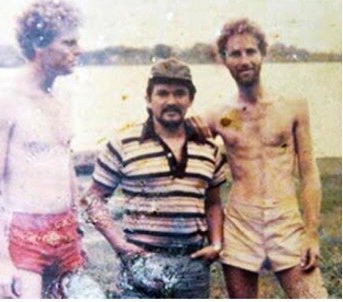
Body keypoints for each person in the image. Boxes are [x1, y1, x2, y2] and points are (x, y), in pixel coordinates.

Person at [192, 18, 327, 298]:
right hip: (240, 223)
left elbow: (309, 173)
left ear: (263, 54)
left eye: (251, 51)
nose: (244, 60)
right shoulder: (220, 115)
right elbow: (173, 131)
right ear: (224, 60)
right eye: (235, 53)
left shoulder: (292, 107)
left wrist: (311, 233)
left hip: (286, 220)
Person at [80, 57, 228, 298]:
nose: (171, 101)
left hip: (193, 265)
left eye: (180, 93)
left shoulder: (207, 148)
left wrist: (217, 244)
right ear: (149, 100)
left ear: (190, 100)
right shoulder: (124, 143)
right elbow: (91, 200)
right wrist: (121, 246)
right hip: (142, 264)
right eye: (162, 93)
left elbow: (213, 202)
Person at [0, 1, 103, 298]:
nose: (78, 50)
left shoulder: (61, 100)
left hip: (65, 233)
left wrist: (77, 234)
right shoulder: (6, 102)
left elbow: (64, 166)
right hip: (24, 239)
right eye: (68, 43)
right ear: (40, 45)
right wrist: (1, 259)